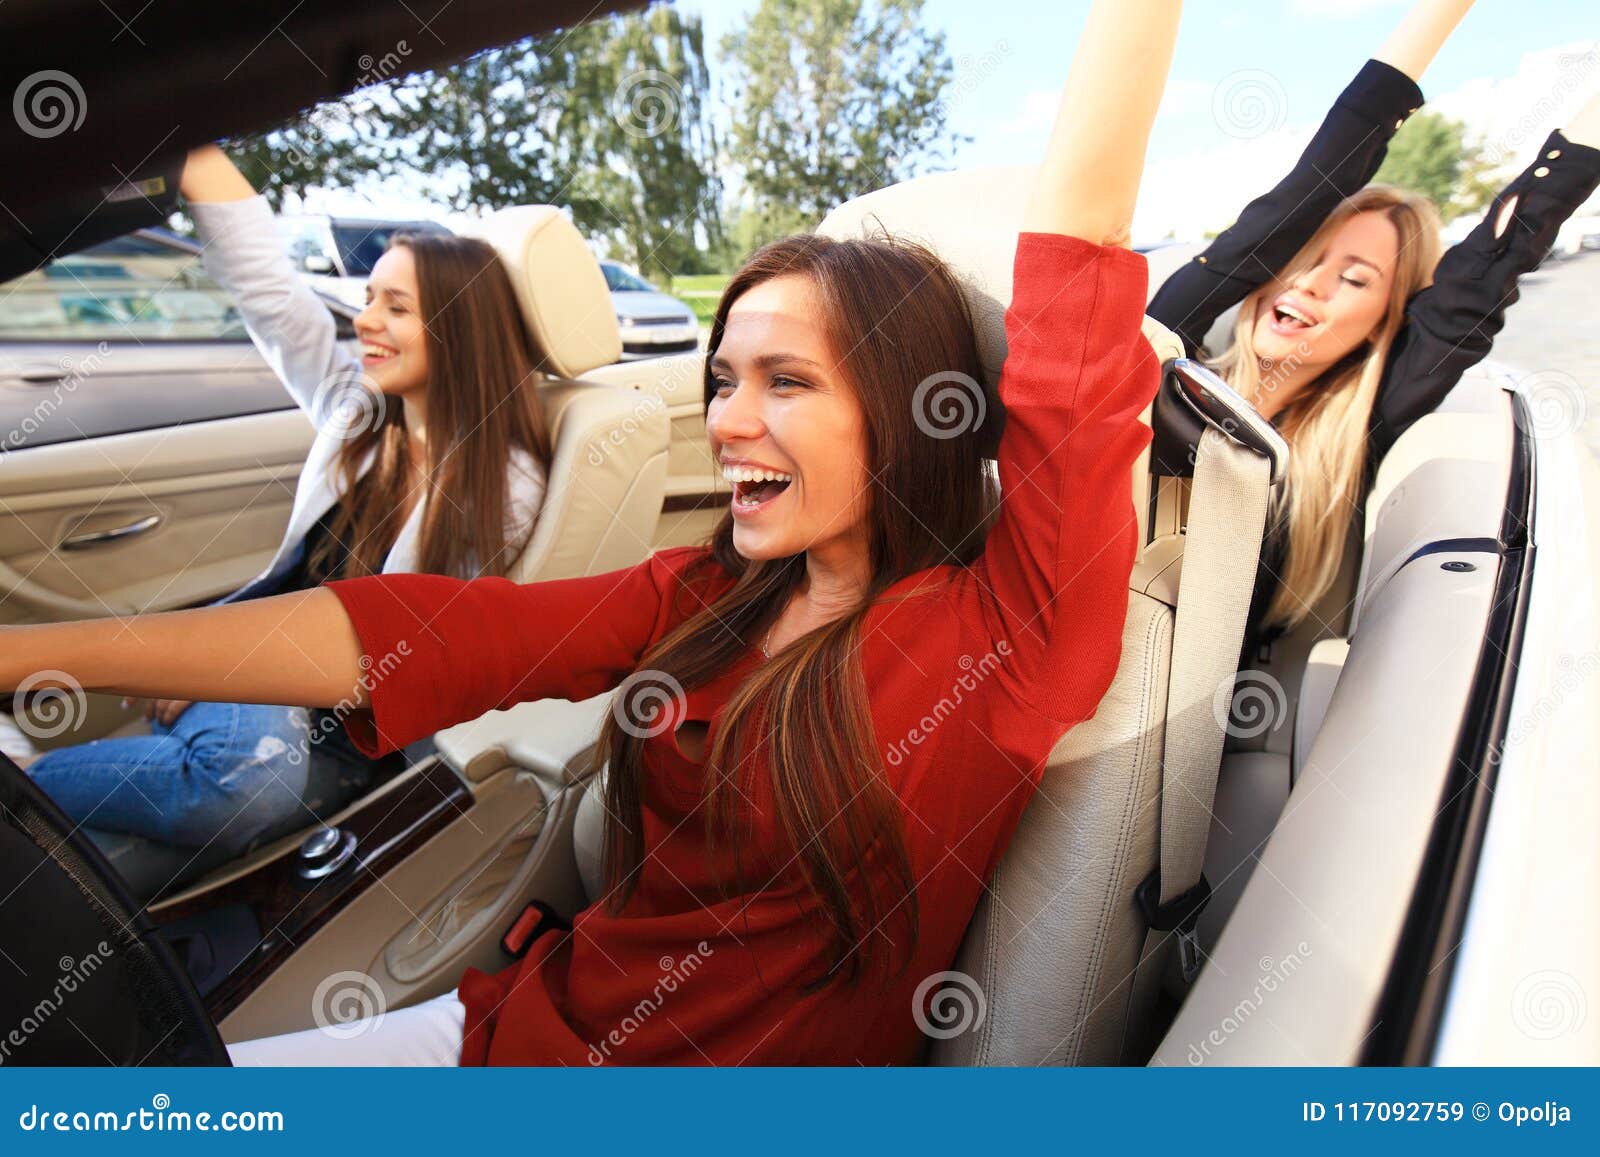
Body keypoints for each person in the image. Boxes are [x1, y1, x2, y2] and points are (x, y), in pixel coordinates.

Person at [0, 0, 1183, 1065]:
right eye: (721, 379)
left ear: (907, 408)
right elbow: (431, 632)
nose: (727, 421)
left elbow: (1078, 252)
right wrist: (35, 653)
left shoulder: (1007, 632)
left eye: (786, 382)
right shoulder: (707, 593)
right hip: (510, 1024)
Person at [19, 146, 554, 864]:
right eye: (368, 298)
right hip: (266, 668)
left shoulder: (508, 486)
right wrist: (189, 147)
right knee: (251, 782)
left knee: (118, 859)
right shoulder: (356, 410)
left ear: (459, 331)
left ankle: (25, 788)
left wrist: (218, 674)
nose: (365, 321)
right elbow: (267, 291)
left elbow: (421, 661)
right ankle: (24, 783)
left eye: (396, 307)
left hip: (348, 726)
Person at [1147, 0, 1600, 649]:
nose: (1309, 284)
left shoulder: (1361, 430)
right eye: (1304, 258)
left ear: (1380, 325)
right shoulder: (1164, 350)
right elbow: (1304, 189)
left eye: (1354, 278)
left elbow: (1494, 262)